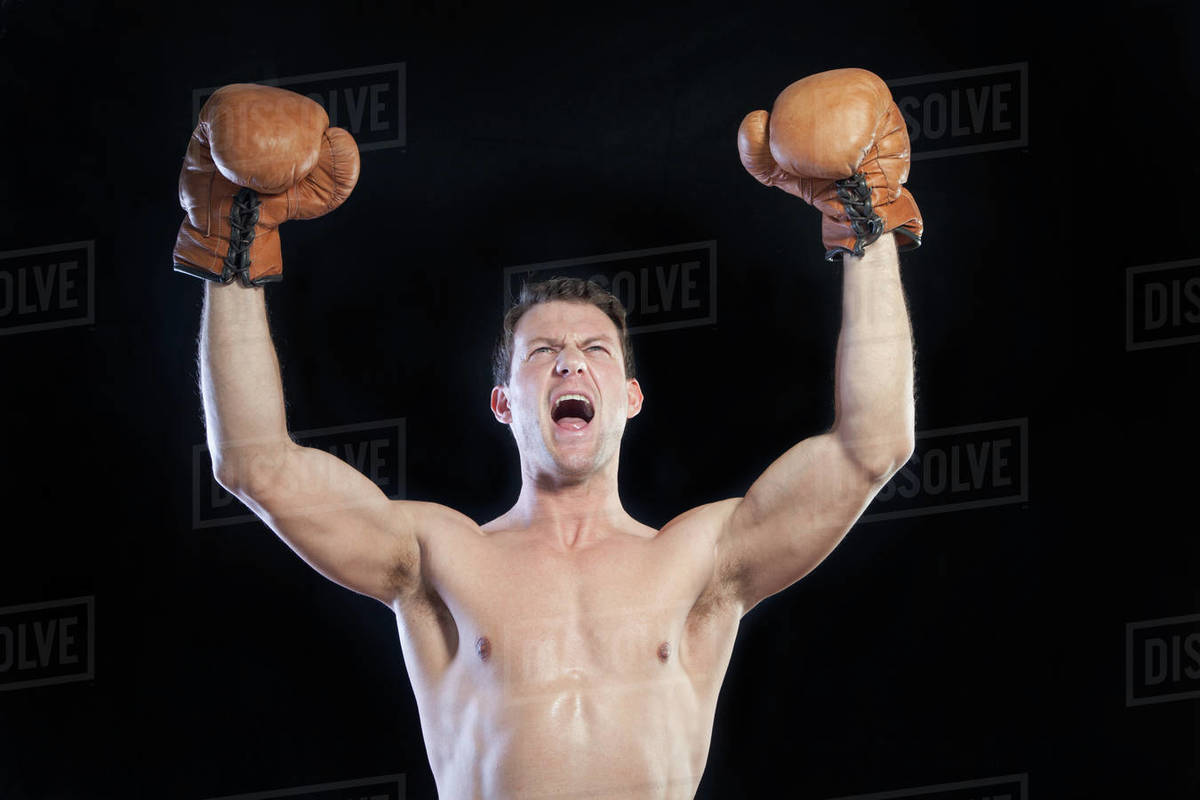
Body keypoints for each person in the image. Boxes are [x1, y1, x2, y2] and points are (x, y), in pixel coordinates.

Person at [176, 68, 923, 799]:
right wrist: (233, 251)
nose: (571, 360)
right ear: (503, 403)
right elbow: (256, 464)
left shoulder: (702, 558)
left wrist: (866, 224)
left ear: (629, 398)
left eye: (596, 350)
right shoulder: (437, 555)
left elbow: (872, 447)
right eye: (544, 352)